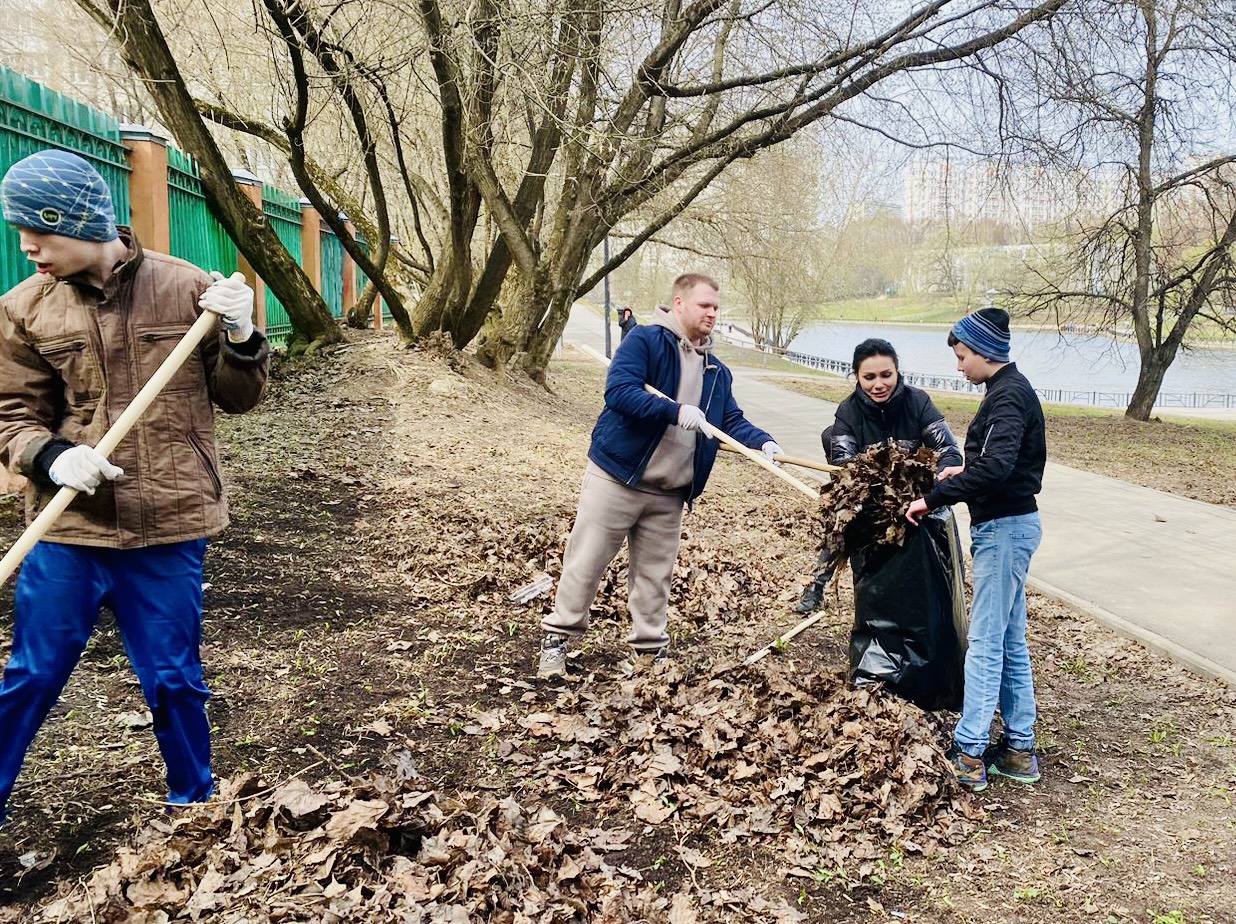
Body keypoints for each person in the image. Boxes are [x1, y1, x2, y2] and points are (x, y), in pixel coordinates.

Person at [0, 149, 270, 823]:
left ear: (87, 221)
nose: (27, 246)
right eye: (20, 232)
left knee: (174, 680)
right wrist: (52, 456)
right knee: (31, 676)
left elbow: (241, 400)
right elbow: (11, 415)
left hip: (168, 522)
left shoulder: (186, 291)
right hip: (70, 528)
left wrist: (239, 333)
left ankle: (194, 808)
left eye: (40, 230)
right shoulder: (23, 309)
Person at [539, 273, 781, 677]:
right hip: (618, 476)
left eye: (717, 308)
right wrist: (675, 411)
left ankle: (649, 653)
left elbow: (729, 420)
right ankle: (557, 641)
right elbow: (619, 391)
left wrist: (763, 443)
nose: (713, 313)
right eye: (705, 305)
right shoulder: (646, 341)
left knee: (654, 577)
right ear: (680, 302)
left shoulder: (716, 370)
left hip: (669, 491)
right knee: (585, 563)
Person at [906, 308, 1046, 792]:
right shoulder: (1006, 392)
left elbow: (998, 469)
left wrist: (933, 497)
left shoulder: (1008, 397)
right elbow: (991, 465)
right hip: (1010, 525)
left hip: (1006, 530)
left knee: (986, 642)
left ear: (985, 352)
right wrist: (958, 474)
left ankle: (969, 752)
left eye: (963, 356)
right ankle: (1020, 749)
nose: (959, 366)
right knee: (1009, 640)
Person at [795, 338, 961, 614]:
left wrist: (942, 476)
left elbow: (948, 449)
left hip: (916, 497)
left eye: (886, 375)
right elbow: (847, 467)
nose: (878, 384)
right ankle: (817, 585)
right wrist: (879, 493)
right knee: (841, 523)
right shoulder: (848, 412)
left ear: (897, 371)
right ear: (857, 377)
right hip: (868, 498)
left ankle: (941, 590)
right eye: (869, 377)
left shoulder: (918, 402)